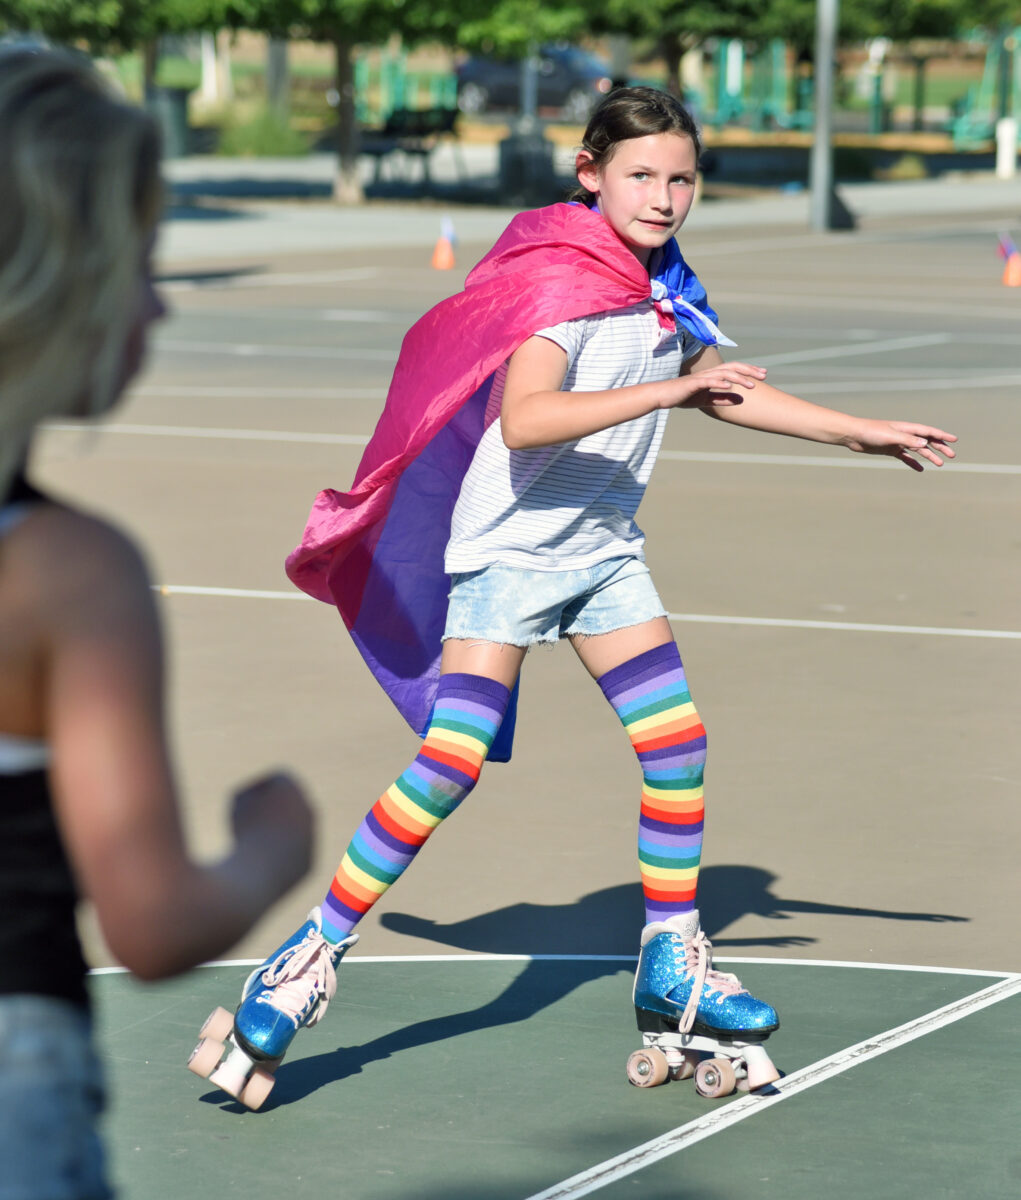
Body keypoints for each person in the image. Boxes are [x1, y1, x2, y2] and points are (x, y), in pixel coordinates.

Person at [191, 86, 957, 1104]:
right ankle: (307, 956)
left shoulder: (666, 282)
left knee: (675, 740)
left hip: (602, 553)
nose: (665, 196)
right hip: (509, 555)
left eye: (681, 178)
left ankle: (671, 959)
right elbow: (527, 417)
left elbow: (722, 385)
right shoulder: (557, 284)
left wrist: (861, 430)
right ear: (589, 172)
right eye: (641, 174)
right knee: (450, 763)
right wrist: (671, 391)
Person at [0, 48, 315, 1192]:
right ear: (54, 287)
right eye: (139, 266)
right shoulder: (69, 574)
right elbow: (150, 920)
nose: (161, 301)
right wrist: (272, 845)